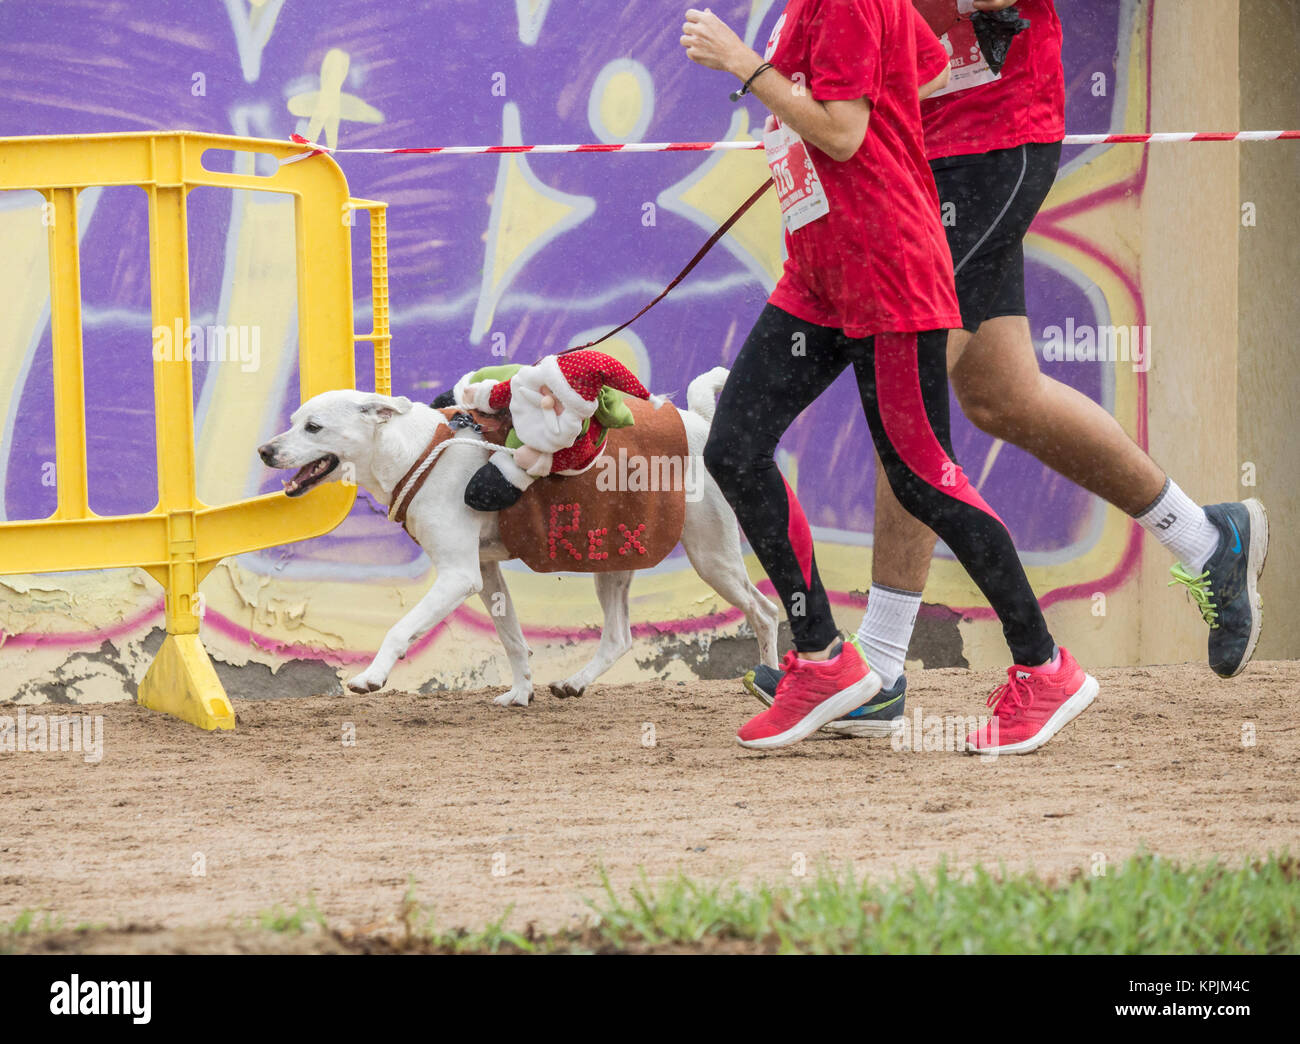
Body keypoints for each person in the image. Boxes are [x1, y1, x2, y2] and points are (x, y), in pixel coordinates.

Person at [744, 0, 1268, 749]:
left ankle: (884, 667)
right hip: (927, 151)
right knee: (1002, 393)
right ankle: (1208, 538)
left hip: (990, 143)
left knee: (909, 395)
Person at [682, 0, 1097, 753]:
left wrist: (747, 67)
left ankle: (1046, 667)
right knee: (734, 445)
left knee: (922, 476)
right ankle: (824, 660)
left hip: (886, 270)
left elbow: (842, 132)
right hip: (820, 269)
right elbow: (928, 63)